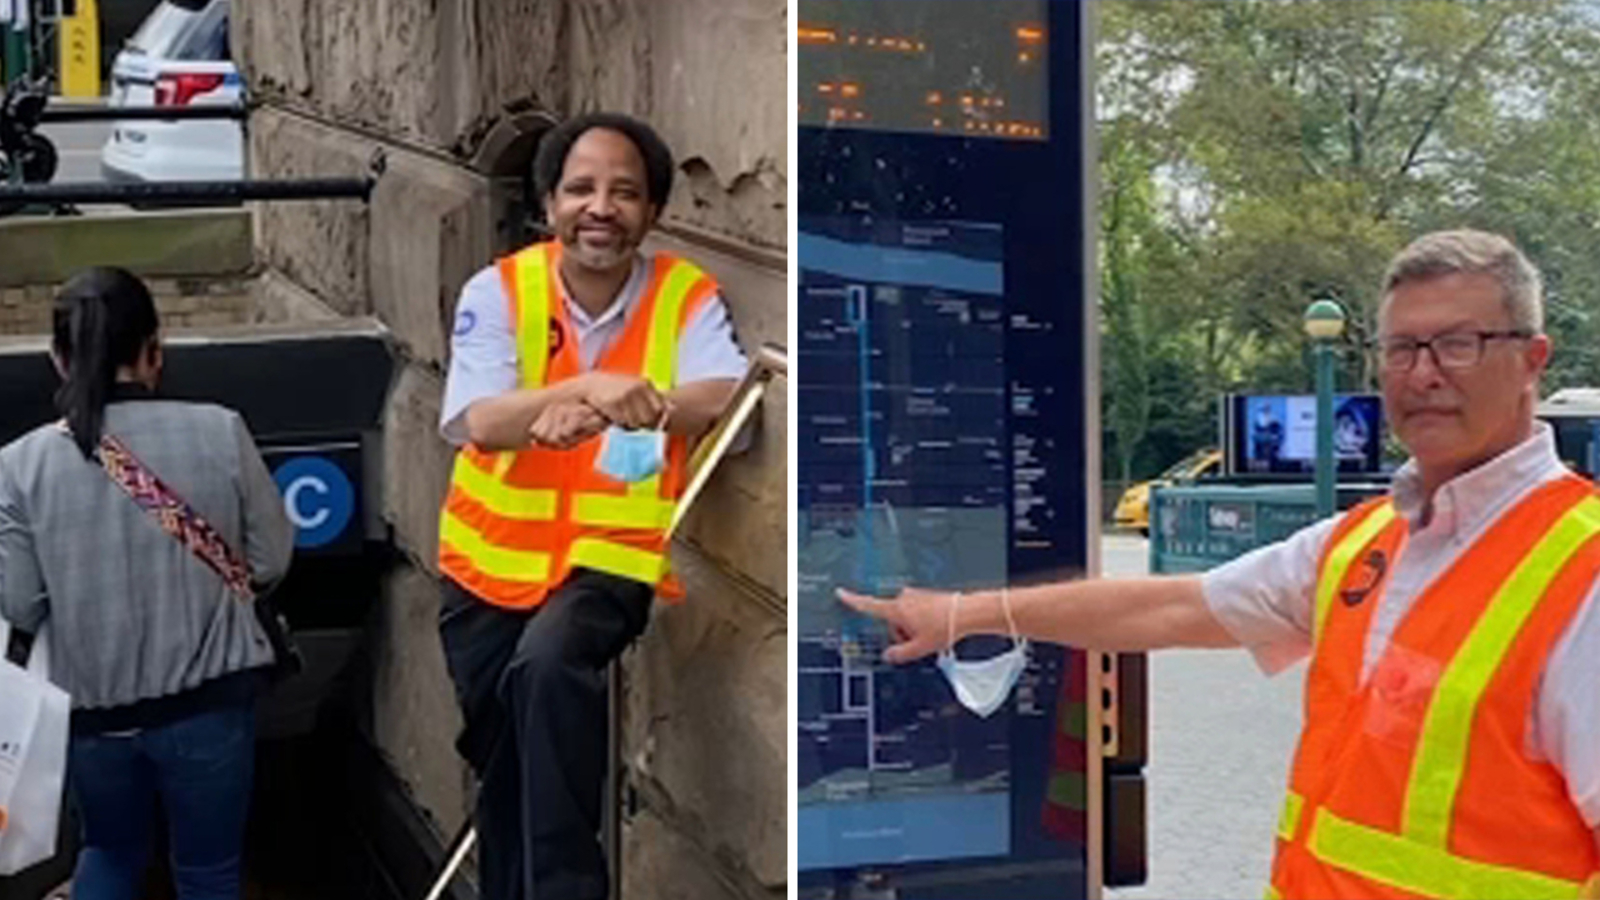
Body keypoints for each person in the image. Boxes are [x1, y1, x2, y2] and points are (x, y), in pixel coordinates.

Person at [841, 230, 1600, 899]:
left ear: (1533, 359)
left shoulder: (1583, 570)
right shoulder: (1364, 544)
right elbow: (1175, 608)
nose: (1424, 373)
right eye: (1401, 348)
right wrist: (967, 615)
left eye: (1459, 344)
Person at [435, 112, 747, 900]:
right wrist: (584, 386)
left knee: (548, 671)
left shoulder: (685, 294)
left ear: (655, 211)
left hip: (607, 561)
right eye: (581, 188)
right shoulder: (499, 289)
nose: (600, 207)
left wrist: (620, 406)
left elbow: (721, 397)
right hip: (485, 571)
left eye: (625, 192)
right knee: (506, 768)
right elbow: (477, 419)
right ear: (549, 203)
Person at [0, 267, 294, 900]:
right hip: (209, 709)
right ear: (154, 351)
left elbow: (21, 604)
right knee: (209, 870)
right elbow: (269, 561)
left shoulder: (19, 466)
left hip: (94, 723)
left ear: (60, 360)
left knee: (110, 853)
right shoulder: (222, 429)